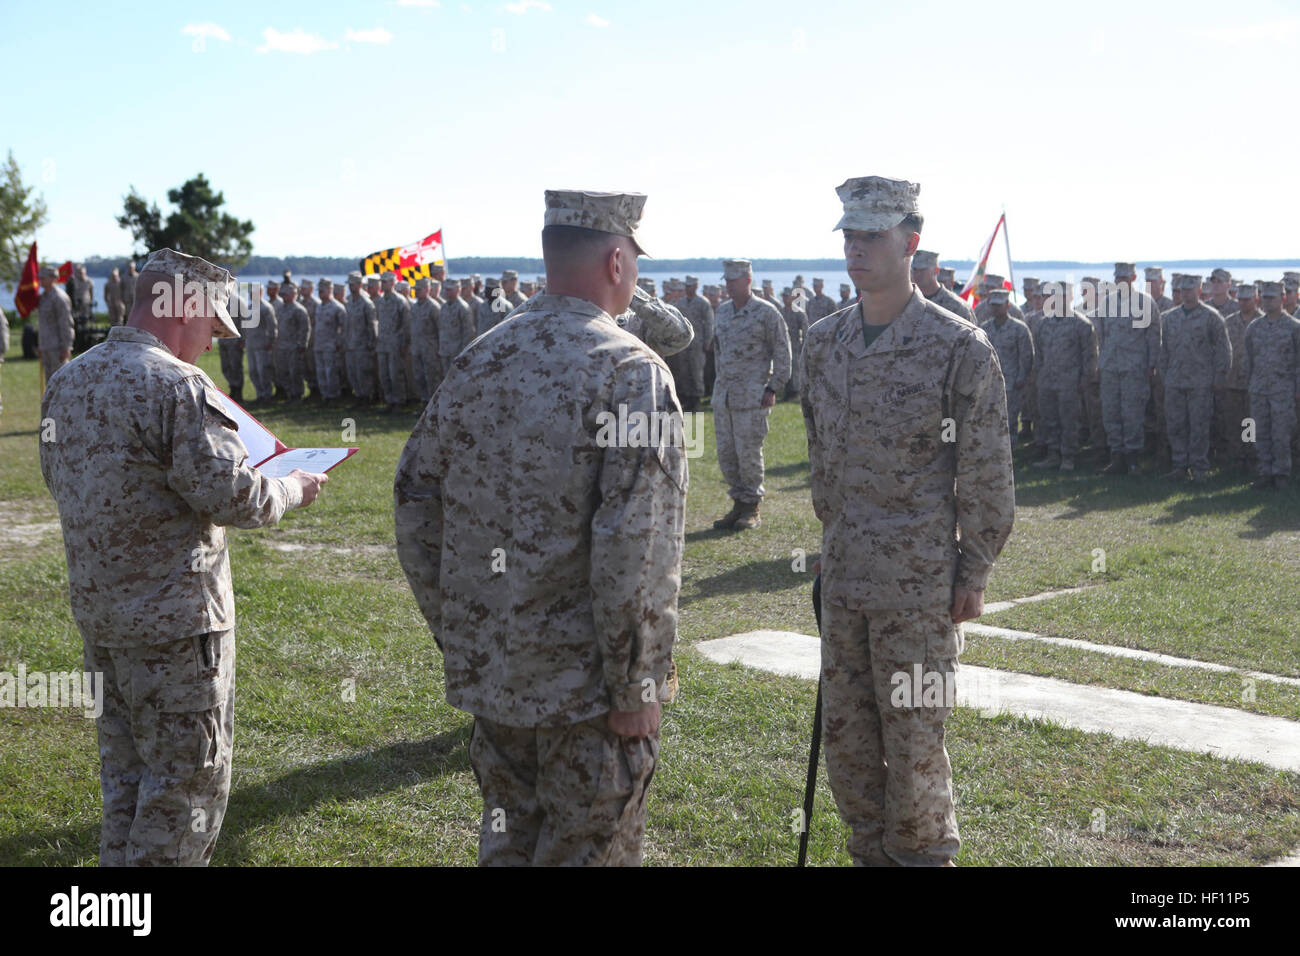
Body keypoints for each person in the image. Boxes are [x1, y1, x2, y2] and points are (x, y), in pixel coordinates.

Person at [394, 189, 685, 866]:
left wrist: (461, 627)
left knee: (509, 844)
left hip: (496, 678)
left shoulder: (480, 359)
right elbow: (634, 545)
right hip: (587, 693)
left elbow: (414, 500)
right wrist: (637, 682)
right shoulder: (631, 371)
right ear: (618, 260)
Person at [39, 248, 327, 866]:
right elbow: (235, 496)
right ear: (185, 307)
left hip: (105, 621)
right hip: (176, 631)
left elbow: (59, 479)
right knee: (183, 797)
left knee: (127, 787)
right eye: (211, 325)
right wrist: (294, 486)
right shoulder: (176, 385)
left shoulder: (68, 380)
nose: (209, 342)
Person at [800, 175, 1014, 867]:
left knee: (915, 738)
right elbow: (821, 456)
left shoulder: (958, 346)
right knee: (850, 739)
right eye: (850, 236)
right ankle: (870, 853)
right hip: (847, 575)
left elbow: (985, 471)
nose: (856, 249)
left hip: (919, 584)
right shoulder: (823, 342)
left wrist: (974, 569)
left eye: (872, 236)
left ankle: (923, 859)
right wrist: (831, 543)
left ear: (911, 244)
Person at [711, 258, 791, 531]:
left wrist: (773, 387)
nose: (728, 287)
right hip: (724, 396)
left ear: (747, 281)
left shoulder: (766, 312)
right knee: (727, 454)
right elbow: (718, 352)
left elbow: (782, 351)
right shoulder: (721, 312)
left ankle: (752, 507)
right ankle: (738, 504)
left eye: (733, 281)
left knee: (748, 453)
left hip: (753, 396)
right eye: (726, 282)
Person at [1159, 274, 1231, 481]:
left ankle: (1200, 467)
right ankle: (1179, 465)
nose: (1186, 294)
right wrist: (1165, 375)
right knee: (1176, 425)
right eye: (1183, 290)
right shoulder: (1169, 318)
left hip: (1201, 382)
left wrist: (1219, 376)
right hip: (1175, 381)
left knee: (1199, 426)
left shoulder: (1212, 317)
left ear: (1200, 290)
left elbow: (1223, 350)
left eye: (1190, 290)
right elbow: (1163, 351)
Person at [1095, 262, 1161, 475]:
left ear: (1133, 278)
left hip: (1135, 368)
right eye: (1118, 278)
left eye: (1125, 278)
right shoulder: (1106, 303)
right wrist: (1101, 362)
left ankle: (1132, 458)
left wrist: (1152, 365)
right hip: (1110, 367)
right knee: (1111, 412)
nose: (1120, 281)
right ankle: (1116, 456)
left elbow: (1153, 336)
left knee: (1132, 414)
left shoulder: (1144, 302)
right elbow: (1101, 335)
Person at [1032, 281, 1097, 471]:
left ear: (1069, 297)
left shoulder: (1082, 324)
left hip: (1070, 382)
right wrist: (1039, 377)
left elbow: (1090, 356)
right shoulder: (1043, 324)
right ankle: (1053, 454)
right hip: (1047, 381)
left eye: (1061, 296)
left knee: (1069, 420)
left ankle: (1068, 456)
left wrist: (1085, 380)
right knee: (1049, 418)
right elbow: (1039, 354)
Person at [1243, 282, 1300, 489]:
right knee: (1261, 433)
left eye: (1272, 298)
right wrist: (1249, 383)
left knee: (1281, 434)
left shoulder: (1294, 327)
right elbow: (1248, 359)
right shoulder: (1254, 327)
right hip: (1259, 390)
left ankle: (1282, 474)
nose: (1268, 301)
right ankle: (1265, 472)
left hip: (1283, 391)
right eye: (1265, 297)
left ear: (1283, 299)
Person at [979, 288, 1034, 438]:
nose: (996, 308)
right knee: (988, 419)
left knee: (1009, 420)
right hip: (988, 382)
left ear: (1007, 305)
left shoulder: (1019, 329)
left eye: (999, 305)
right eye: (993, 305)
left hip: (1011, 383)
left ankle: (1010, 453)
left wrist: (1021, 377)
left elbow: (1026, 356)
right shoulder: (984, 329)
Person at [668, 276, 714, 412]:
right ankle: (687, 399)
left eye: (690, 286)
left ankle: (697, 399)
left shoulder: (703, 303)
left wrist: (707, 341)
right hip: (684, 344)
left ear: (696, 286)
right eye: (686, 286)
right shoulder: (680, 303)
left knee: (696, 371)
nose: (688, 289)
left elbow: (709, 323)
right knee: (684, 371)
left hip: (697, 344)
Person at [912, 250, 975, 323]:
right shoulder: (908, 302)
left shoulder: (957, 306)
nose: (918, 274)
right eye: (915, 269)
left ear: (936, 270)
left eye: (923, 270)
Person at [37, 264, 75, 386]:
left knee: (61, 383)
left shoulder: (59, 297)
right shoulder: (43, 297)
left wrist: (66, 347)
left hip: (57, 348)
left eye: (44, 277)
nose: (40, 280)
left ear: (54, 278)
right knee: (50, 384)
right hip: (46, 346)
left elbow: (66, 323)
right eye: (40, 277)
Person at [345, 271, 378, 406]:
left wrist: (372, 343)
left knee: (364, 373)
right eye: (349, 285)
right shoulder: (349, 301)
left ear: (359, 285)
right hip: (351, 344)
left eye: (353, 284)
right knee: (353, 373)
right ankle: (358, 396)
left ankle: (367, 397)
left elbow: (372, 325)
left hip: (363, 345)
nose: (350, 287)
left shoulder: (366, 303)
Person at [274, 281, 311, 403]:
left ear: (293, 294)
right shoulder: (281, 309)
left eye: (285, 294)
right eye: (282, 294)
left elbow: (305, 329)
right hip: (281, 346)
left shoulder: (299, 310)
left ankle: (297, 395)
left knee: (295, 372)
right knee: (282, 372)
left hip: (294, 347)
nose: (283, 296)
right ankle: (289, 394)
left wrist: (302, 345)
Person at [243, 283, 277, 405]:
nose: (252, 295)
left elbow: (272, 327)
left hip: (262, 345)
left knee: (263, 371)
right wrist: (243, 340)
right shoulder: (249, 307)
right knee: (253, 371)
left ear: (261, 293)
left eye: (255, 293)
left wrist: (271, 342)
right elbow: (246, 327)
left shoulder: (266, 308)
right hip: (251, 345)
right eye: (251, 293)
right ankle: (260, 394)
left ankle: (267, 395)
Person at [313, 278, 346, 404]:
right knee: (321, 372)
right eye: (319, 291)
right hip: (319, 345)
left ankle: (334, 396)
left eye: (323, 291)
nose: (320, 293)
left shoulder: (337, 307)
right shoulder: (319, 307)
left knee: (330, 372)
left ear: (330, 290)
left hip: (331, 346)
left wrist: (339, 342)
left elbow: (344, 327)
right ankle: (325, 395)